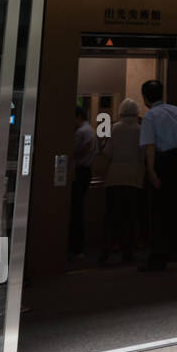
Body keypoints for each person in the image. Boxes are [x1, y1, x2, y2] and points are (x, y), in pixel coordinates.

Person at [138, 80, 177, 270]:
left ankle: (159, 257)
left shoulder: (150, 117)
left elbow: (150, 145)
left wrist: (151, 170)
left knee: (159, 212)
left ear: (146, 98)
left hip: (162, 162)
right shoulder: (175, 111)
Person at [100, 99, 144, 265]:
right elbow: (143, 155)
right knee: (130, 217)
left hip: (114, 177)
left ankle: (106, 252)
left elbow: (107, 153)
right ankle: (128, 253)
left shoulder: (115, 128)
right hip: (134, 177)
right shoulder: (140, 130)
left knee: (112, 216)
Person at [69, 105, 96, 260]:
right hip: (87, 171)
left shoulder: (81, 132)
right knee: (79, 209)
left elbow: (74, 152)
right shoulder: (90, 130)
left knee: (76, 210)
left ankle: (76, 247)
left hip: (79, 172)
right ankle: (78, 247)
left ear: (78, 116)